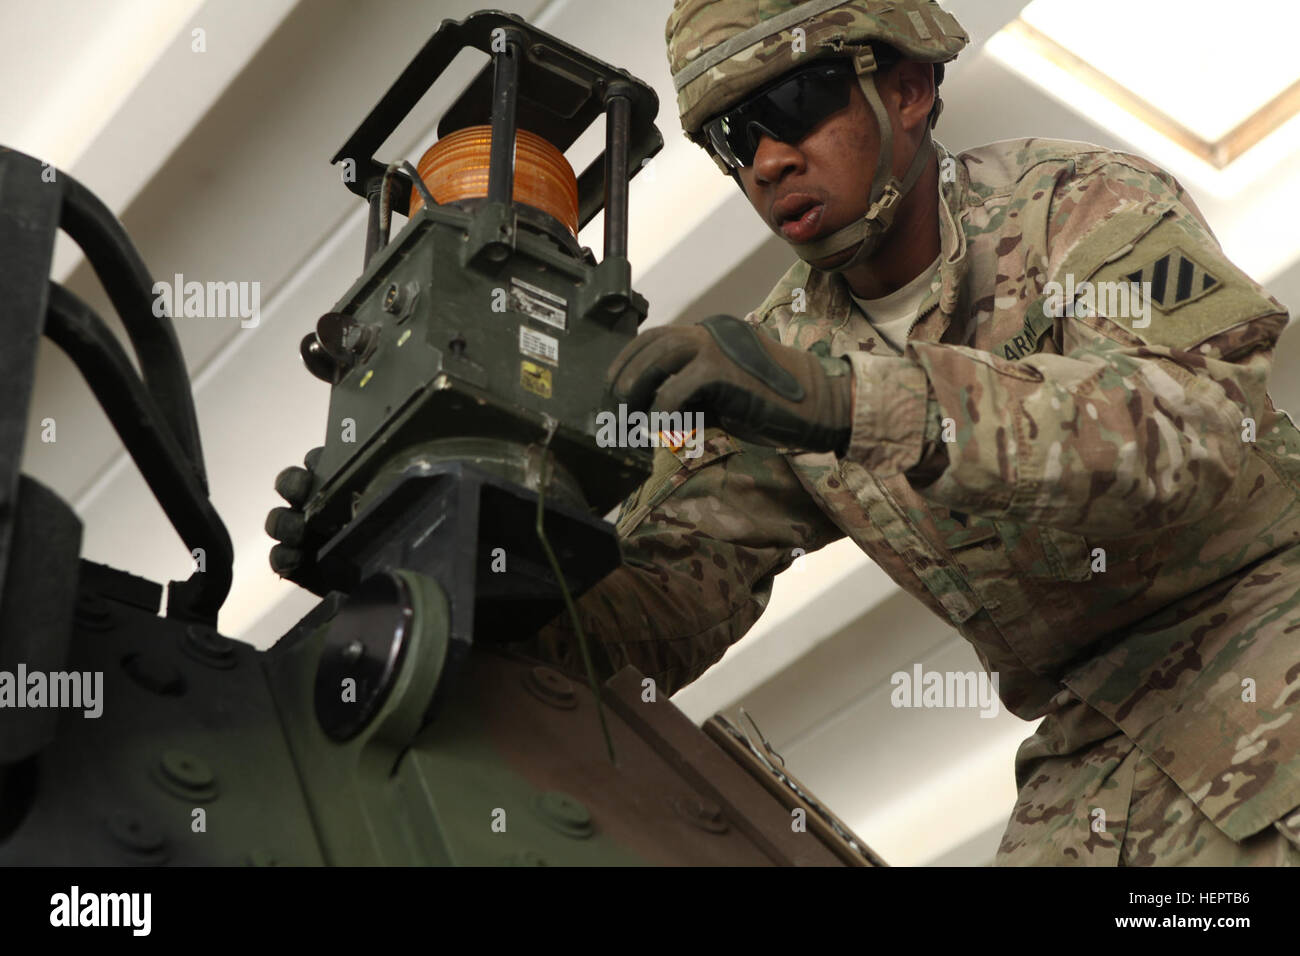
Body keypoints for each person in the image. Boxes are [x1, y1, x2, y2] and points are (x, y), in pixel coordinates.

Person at [270, 0, 1300, 865]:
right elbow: (664, 604)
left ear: (905, 88)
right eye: (729, 138)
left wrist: (849, 401)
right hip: (1093, 734)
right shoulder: (769, 356)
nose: (764, 160)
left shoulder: (1078, 205)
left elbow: (1201, 430)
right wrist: (432, 557)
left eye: (791, 105)